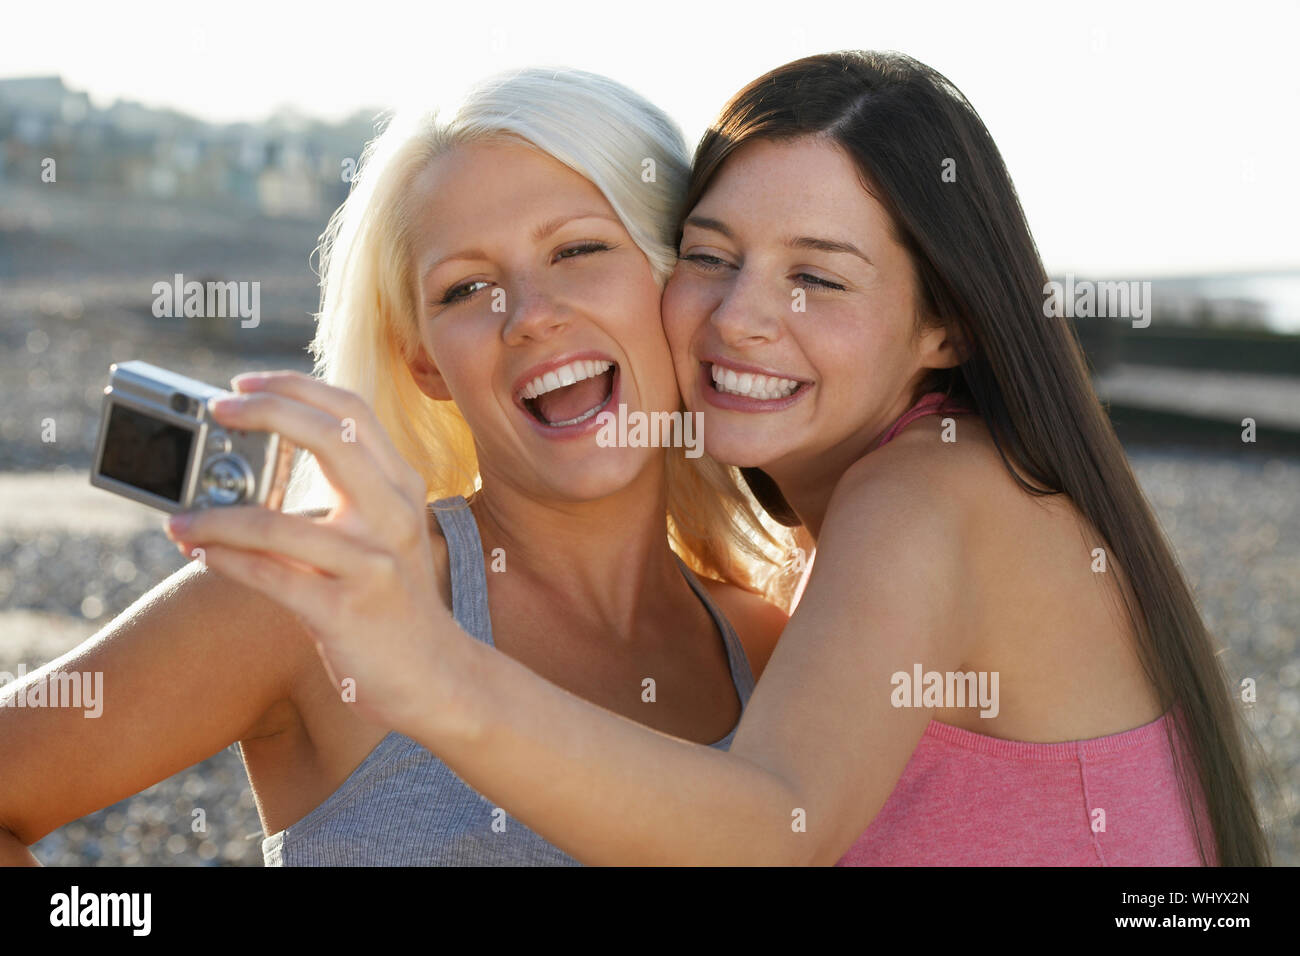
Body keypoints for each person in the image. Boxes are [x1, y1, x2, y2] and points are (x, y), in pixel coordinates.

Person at [159, 51, 1269, 866]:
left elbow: (773, 821)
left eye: (818, 278)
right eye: (711, 256)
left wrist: (434, 669)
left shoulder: (929, 488)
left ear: (948, 327)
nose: (742, 317)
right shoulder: (805, 580)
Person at [0, 68, 792, 867]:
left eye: (578, 248)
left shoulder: (771, 651)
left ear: (685, 278)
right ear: (425, 362)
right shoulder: (311, 595)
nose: (531, 315)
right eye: (465, 288)